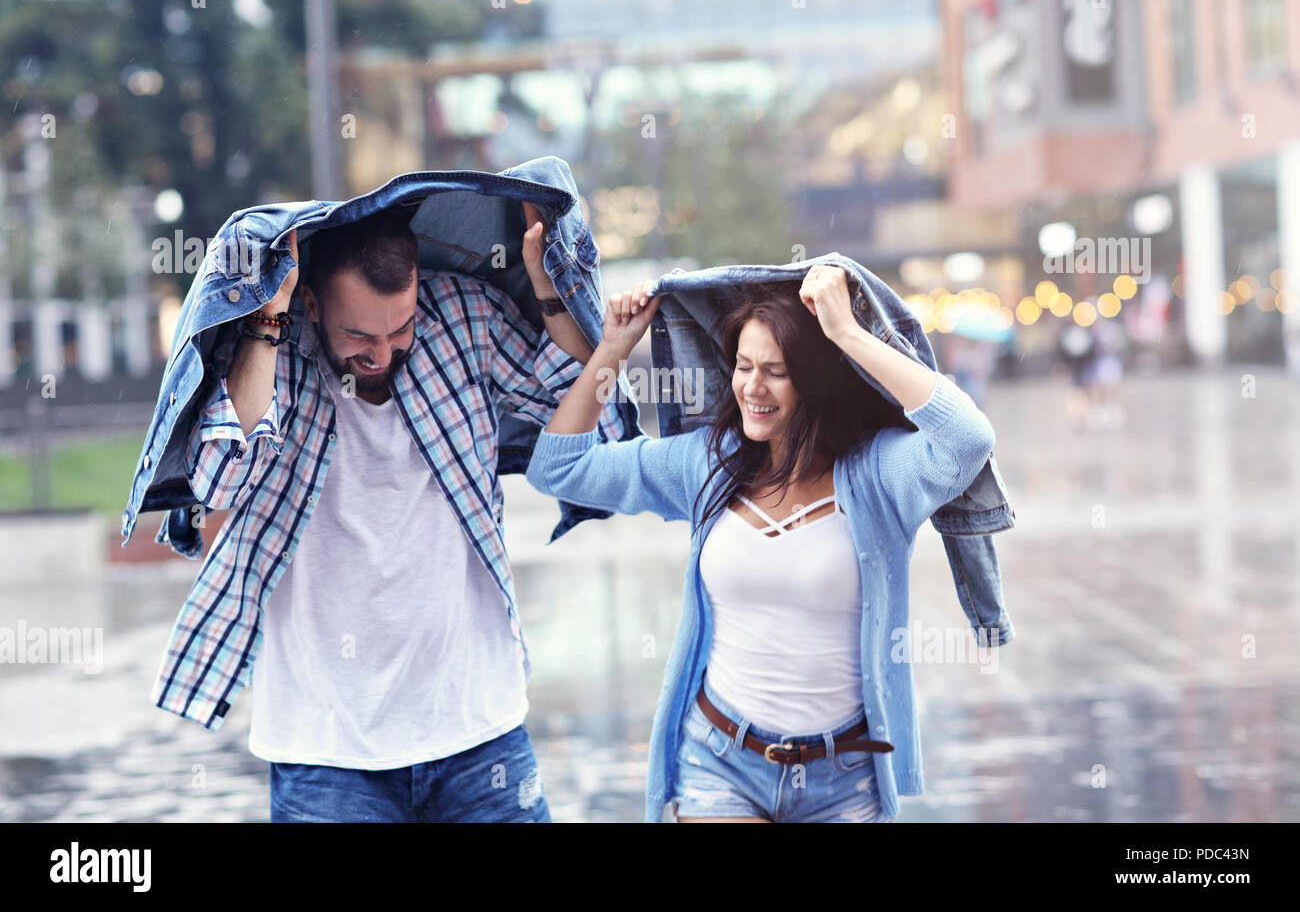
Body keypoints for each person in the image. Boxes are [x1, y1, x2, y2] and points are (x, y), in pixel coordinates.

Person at [183, 203, 611, 821]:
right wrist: (264, 323)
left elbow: (578, 404)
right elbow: (218, 480)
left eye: (400, 328)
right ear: (310, 305)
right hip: (325, 751)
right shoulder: (271, 354)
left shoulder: (464, 316)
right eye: (360, 336)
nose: (383, 354)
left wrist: (550, 292)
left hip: (477, 731)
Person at [525, 265, 998, 822]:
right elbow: (559, 466)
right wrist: (613, 347)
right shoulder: (706, 462)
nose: (752, 387)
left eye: (775, 371)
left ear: (817, 379)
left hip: (845, 777)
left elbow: (968, 440)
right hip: (720, 760)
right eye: (744, 366)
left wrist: (848, 333)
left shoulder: (877, 476)